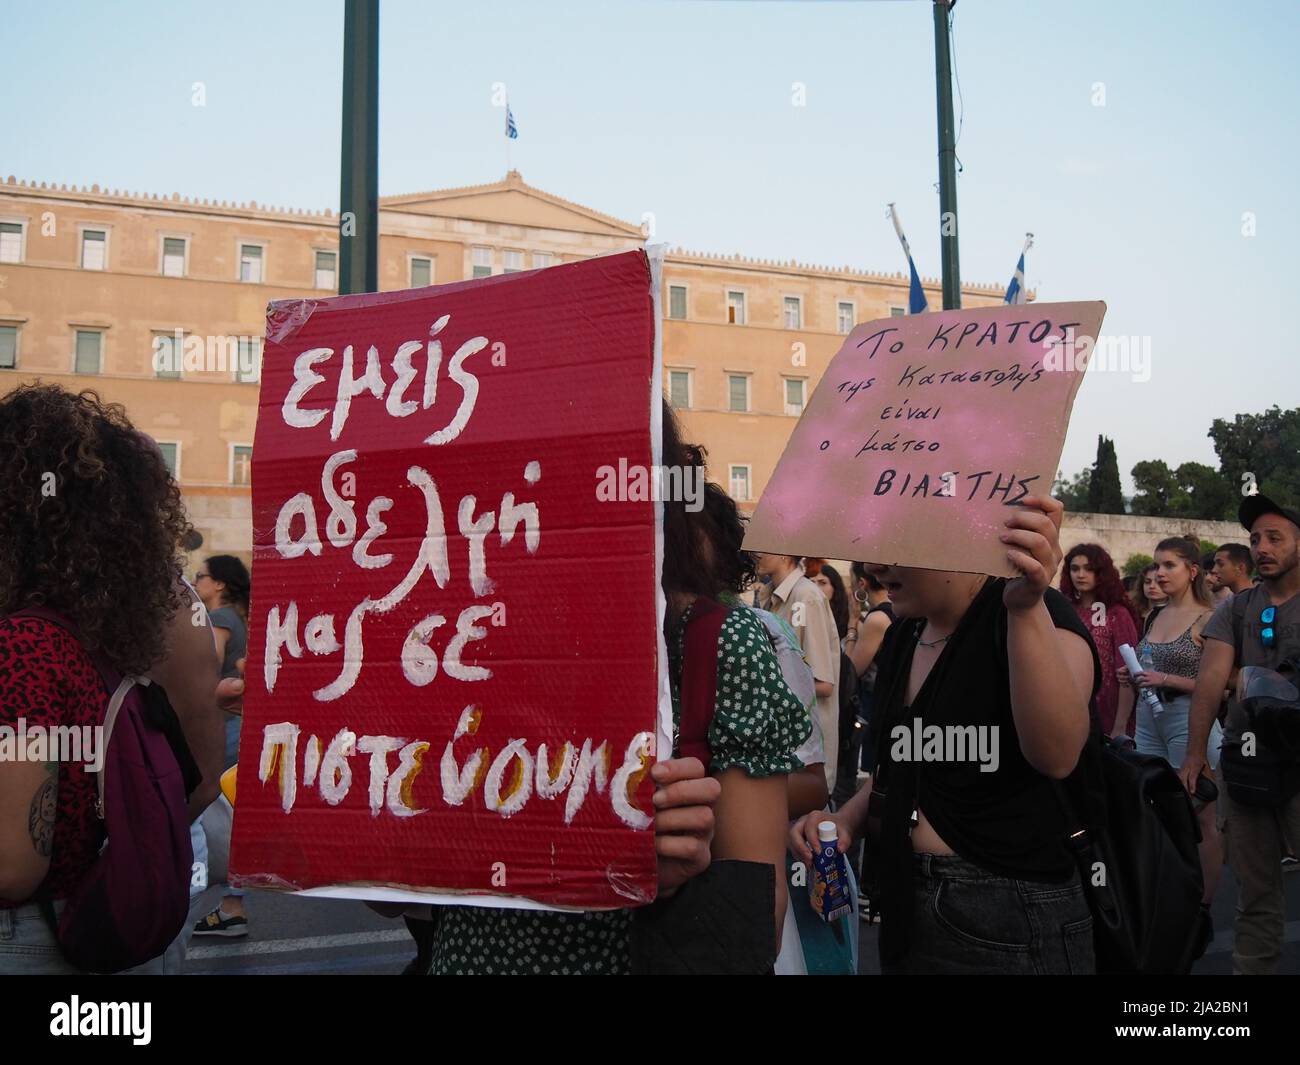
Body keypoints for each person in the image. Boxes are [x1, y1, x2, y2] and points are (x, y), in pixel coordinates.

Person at [427, 404, 807, 974]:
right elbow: (383, 892)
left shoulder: (713, 643)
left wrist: (655, 863)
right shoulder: (445, 640)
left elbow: (755, 915)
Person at [792, 494, 1100, 974]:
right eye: (873, 543)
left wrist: (1025, 610)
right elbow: (903, 764)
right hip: (903, 906)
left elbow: (1057, 754)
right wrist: (847, 820)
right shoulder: (903, 634)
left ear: (963, 534)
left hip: (1008, 912)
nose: (875, 566)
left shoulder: (1040, 616)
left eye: (898, 544)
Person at [0, 385, 206, 973]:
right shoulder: (91, 640)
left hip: (25, 937)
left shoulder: (24, 646)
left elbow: (14, 864)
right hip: (77, 922)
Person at [1181, 495, 1300, 974]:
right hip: (1247, 764)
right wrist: (1194, 755)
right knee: (1255, 896)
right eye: (1255, 539)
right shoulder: (1234, 610)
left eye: (1275, 537)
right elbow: (1210, 681)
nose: (1262, 547)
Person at [1120, 535, 1222, 918]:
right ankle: (1168, 895)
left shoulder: (1211, 619)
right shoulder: (1155, 614)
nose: (1158, 573)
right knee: (1156, 811)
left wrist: (1164, 679)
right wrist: (1136, 676)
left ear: (1192, 571)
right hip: (1149, 721)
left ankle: (1203, 907)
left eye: (1168, 565)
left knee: (1201, 817)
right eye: (1156, 565)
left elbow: (1221, 687)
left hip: (1189, 720)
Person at [192, 554, 252, 939]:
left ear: (218, 585)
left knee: (213, 810)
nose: (197, 581)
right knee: (233, 810)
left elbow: (206, 666)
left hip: (222, 723)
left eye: (201, 576)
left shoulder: (219, 619)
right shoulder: (239, 617)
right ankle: (233, 902)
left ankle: (228, 903)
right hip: (236, 723)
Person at [755, 552, 841, 790]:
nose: (755, 553)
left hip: (807, 751)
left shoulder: (806, 597)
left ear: (784, 553)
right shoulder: (768, 595)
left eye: (763, 546)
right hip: (782, 743)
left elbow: (823, 683)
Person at [1060, 544, 1139, 738]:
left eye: (1089, 569)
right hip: (1069, 704)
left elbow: (1127, 674)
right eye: (1075, 568)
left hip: (1108, 709)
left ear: (1102, 573)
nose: (1080, 574)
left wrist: (1120, 726)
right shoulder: (1064, 610)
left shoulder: (1117, 614)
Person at [847, 563, 895, 777]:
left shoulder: (877, 619)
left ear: (861, 583)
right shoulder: (895, 610)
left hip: (873, 708)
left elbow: (850, 670)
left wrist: (852, 623)